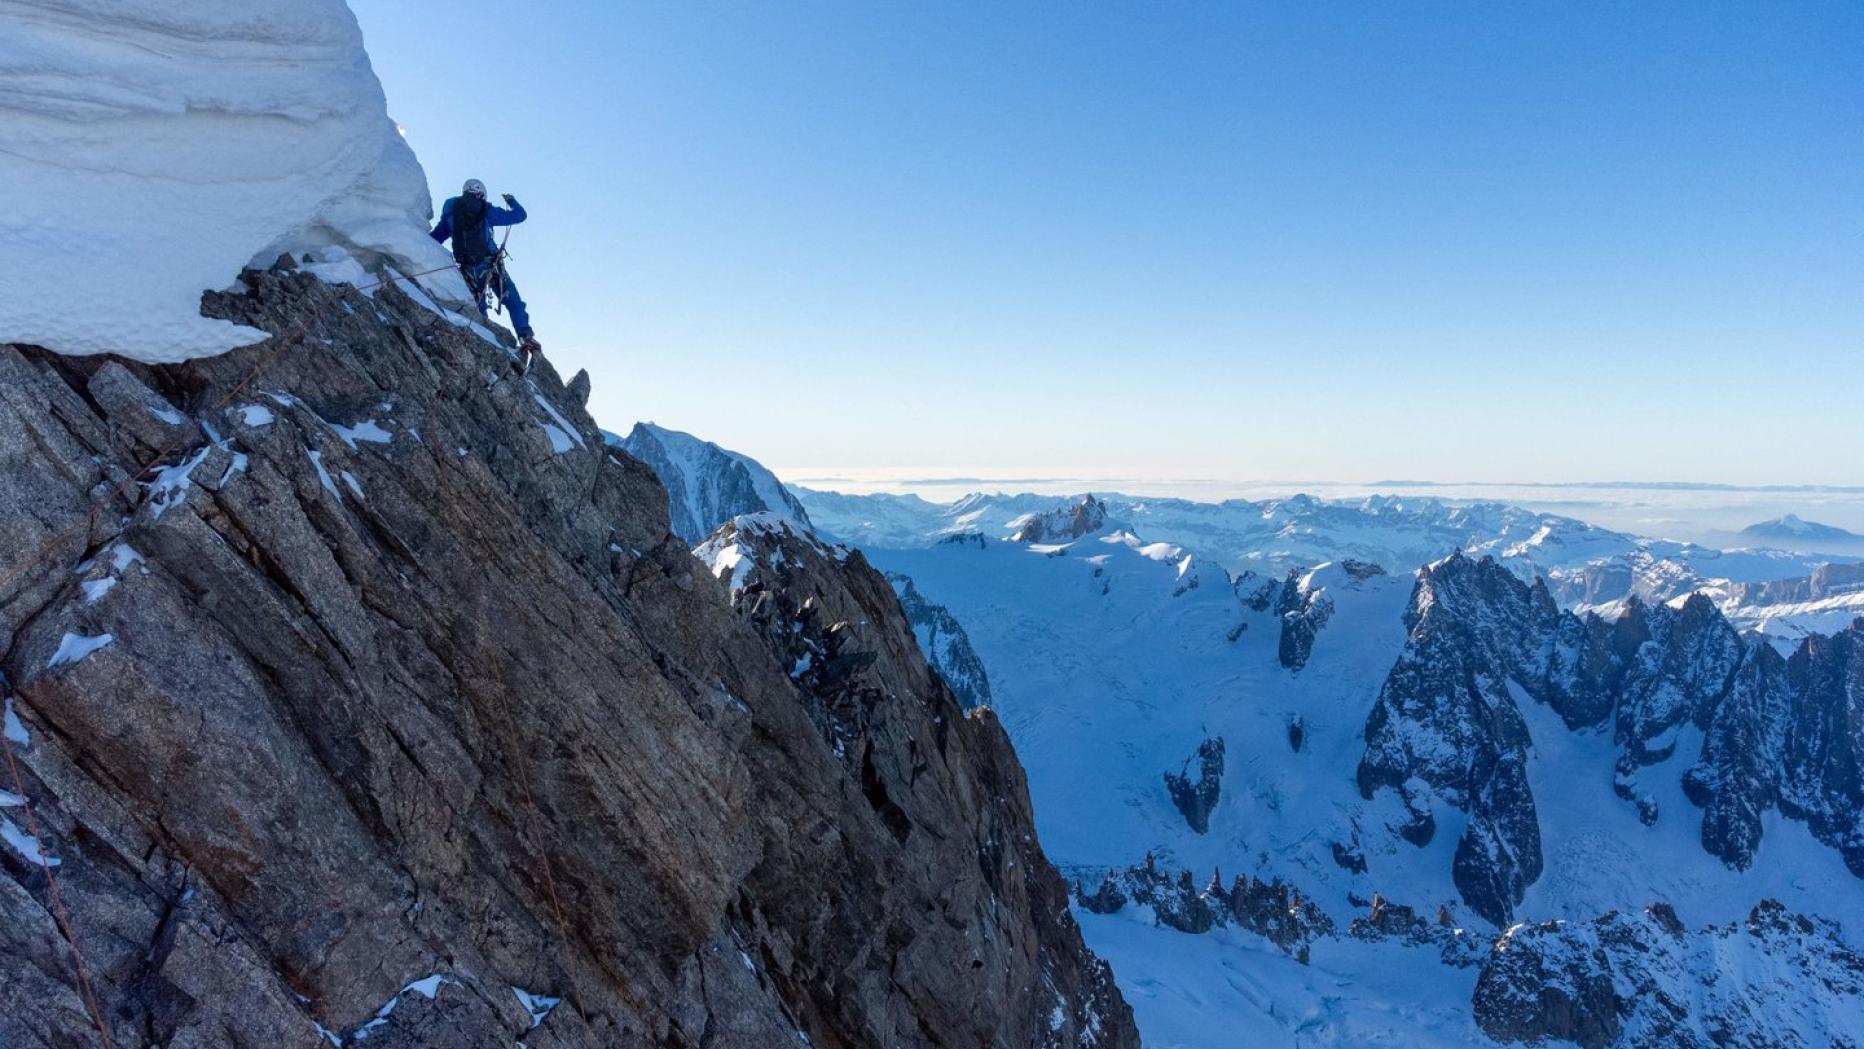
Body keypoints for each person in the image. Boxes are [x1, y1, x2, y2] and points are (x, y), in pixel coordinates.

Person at [431, 178, 540, 366]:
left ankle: (485, 342)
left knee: (479, 308)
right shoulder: (486, 210)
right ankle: (525, 335)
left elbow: (436, 238)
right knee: (512, 300)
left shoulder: (452, 212)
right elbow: (520, 216)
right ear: (481, 193)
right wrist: (511, 200)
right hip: (491, 265)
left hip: (469, 270)